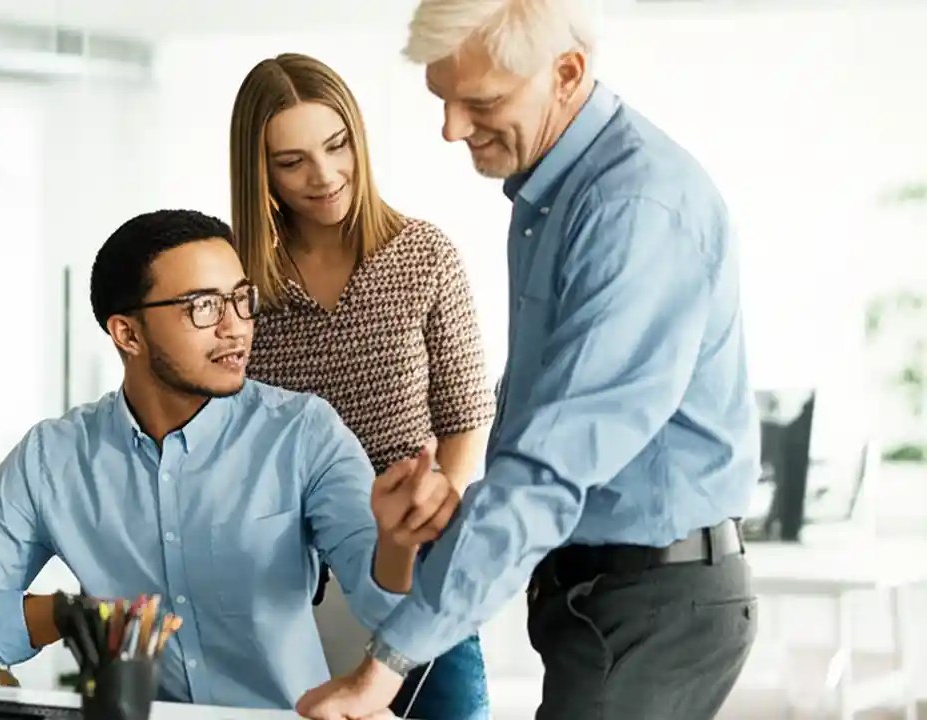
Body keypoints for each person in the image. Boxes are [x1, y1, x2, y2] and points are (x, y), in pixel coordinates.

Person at [296, 2, 761, 719]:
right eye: (441, 99)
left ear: (568, 73)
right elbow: (542, 413)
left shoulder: (630, 207)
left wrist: (382, 667)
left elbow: (552, 467)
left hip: (650, 603)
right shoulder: (556, 194)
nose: (451, 128)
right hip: (603, 598)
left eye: (479, 102)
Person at [0, 209, 452, 712]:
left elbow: (386, 612)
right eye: (202, 307)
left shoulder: (303, 432)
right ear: (127, 334)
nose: (236, 328)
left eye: (240, 300)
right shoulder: (53, 458)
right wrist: (71, 615)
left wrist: (398, 544)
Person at [229, 53, 495, 719]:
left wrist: (432, 516)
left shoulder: (424, 254)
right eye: (291, 161)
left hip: (420, 575)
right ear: (260, 170)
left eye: (336, 145)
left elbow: (466, 416)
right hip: (291, 585)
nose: (323, 176)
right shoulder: (237, 279)